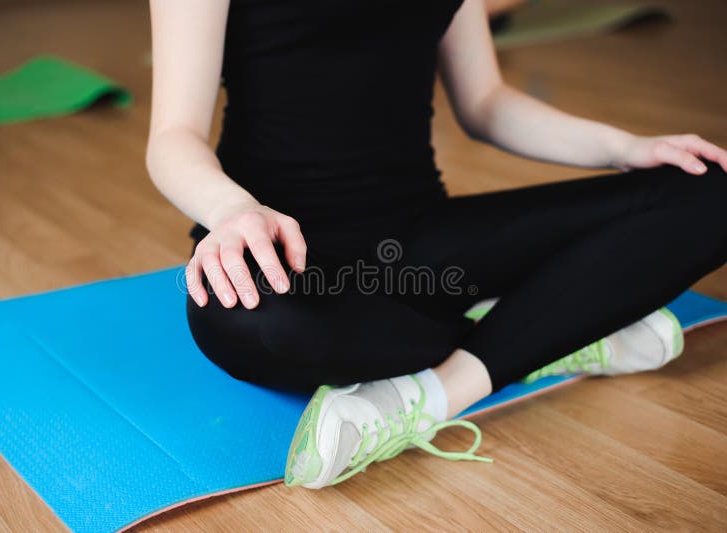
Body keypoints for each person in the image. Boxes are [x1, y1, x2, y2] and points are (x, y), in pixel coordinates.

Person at [146, 0, 727, 490]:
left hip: (423, 245)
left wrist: (623, 148)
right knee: (254, 324)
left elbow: (486, 104)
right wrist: (232, 210)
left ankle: (438, 392)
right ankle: (551, 328)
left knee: (712, 192)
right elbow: (174, 136)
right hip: (284, 252)